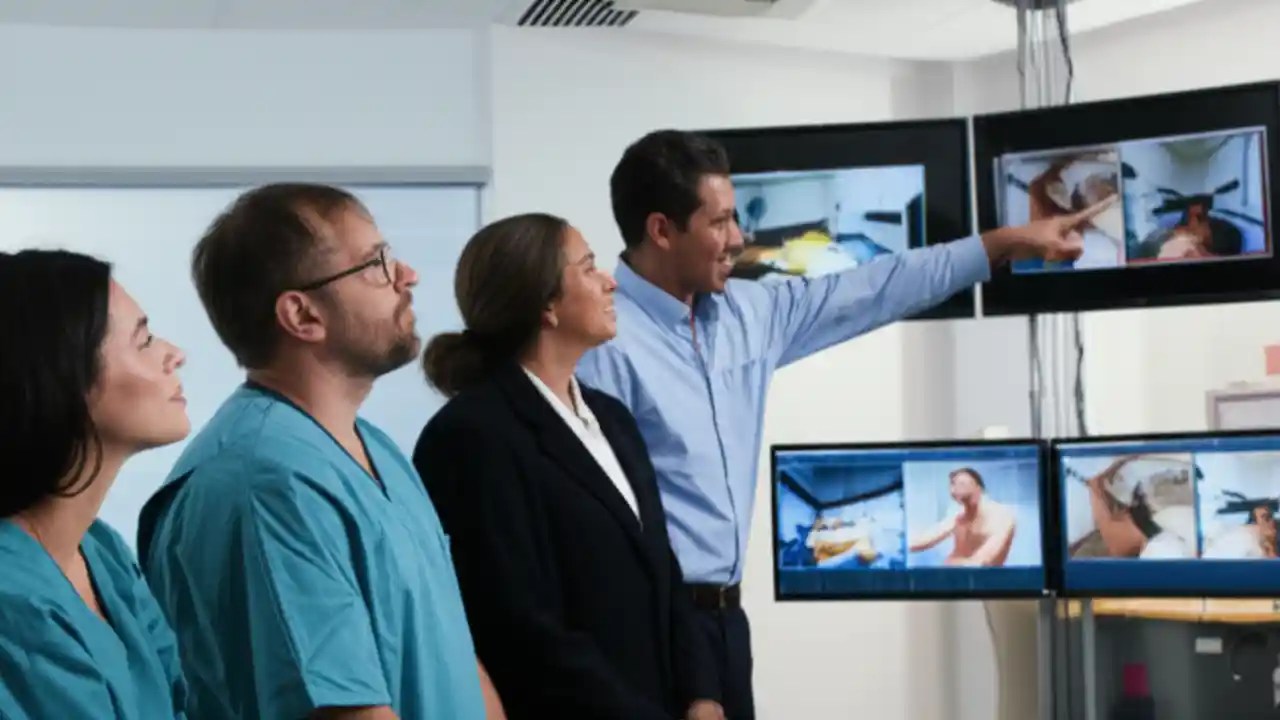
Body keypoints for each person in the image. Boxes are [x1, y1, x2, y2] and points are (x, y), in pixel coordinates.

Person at [575, 129, 1117, 718]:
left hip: (726, 624)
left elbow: (875, 288)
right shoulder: (605, 343)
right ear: (661, 229)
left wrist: (1003, 244)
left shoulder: (749, 314)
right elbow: (595, 528)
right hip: (650, 627)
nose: (739, 237)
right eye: (720, 222)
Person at [136, 184, 502, 720]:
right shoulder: (265, 483)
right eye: (375, 264)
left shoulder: (375, 450)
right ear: (302, 315)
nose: (407, 276)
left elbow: (452, 653)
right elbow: (343, 710)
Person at [413, 213, 724, 720]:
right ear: (546, 305)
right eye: (588, 268)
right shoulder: (472, 437)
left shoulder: (613, 418)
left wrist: (702, 694)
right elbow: (518, 626)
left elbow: (663, 570)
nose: (609, 282)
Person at [0, 250, 189, 719]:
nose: (174, 354)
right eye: (143, 340)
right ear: (63, 376)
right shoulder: (10, 601)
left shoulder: (102, 552)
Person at [908, 468, 1016, 567]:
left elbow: (980, 562)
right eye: (952, 484)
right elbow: (920, 541)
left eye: (961, 483)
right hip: (956, 579)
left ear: (978, 487)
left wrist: (952, 561)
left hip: (988, 583)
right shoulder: (958, 516)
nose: (953, 489)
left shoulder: (1002, 516)